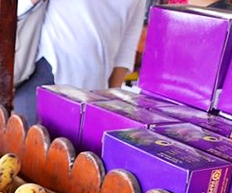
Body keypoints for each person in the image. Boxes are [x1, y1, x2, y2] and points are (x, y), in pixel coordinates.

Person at [13, 0, 147, 124]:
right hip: (45, 71)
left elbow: (126, 49)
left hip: (94, 91)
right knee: (26, 142)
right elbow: (18, 7)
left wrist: (109, 99)